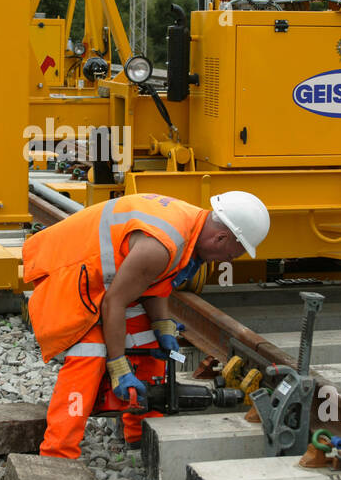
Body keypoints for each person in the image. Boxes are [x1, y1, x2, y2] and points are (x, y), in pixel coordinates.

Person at [22, 191, 271, 459]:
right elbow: (114, 304)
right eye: (232, 254)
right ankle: (57, 454)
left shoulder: (189, 227)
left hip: (102, 284)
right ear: (220, 237)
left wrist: (162, 326)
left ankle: (141, 433)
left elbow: (154, 284)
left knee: (147, 341)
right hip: (67, 279)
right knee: (90, 354)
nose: (227, 261)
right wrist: (118, 367)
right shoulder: (161, 246)